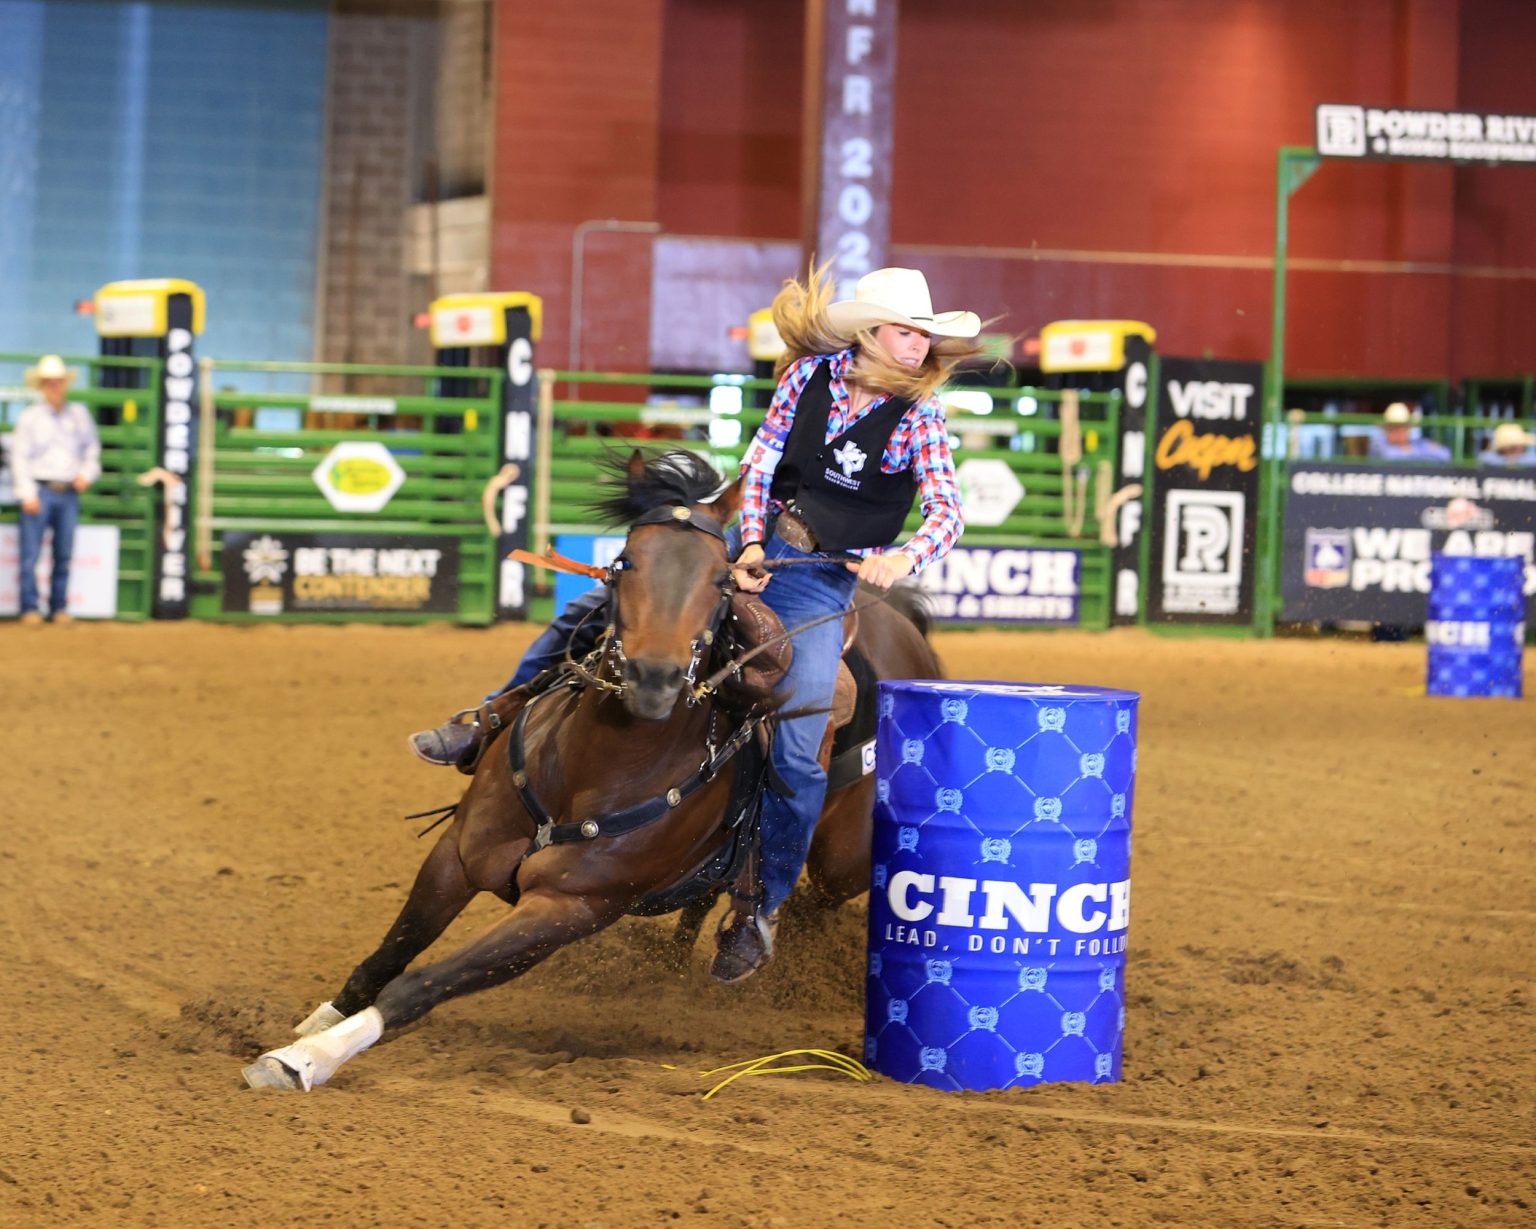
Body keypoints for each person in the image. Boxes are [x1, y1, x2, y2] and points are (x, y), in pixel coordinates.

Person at [411, 265, 980, 982]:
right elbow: (765, 457)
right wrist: (743, 542)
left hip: (818, 581)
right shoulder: (809, 377)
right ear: (870, 333)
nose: (917, 347)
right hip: (748, 538)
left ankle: (759, 908)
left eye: (924, 336)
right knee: (608, 608)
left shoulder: (921, 417)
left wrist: (902, 559)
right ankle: (490, 715)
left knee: (801, 743)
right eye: (906, 332)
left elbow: (947, 511)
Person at [11, 355, 99, 625]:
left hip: (68, 491)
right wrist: (27, 494)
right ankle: (30, 608)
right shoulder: (30, 418)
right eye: (50, 382)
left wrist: (86, 474)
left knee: (63, 553)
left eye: (58, 381)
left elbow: (92, 449)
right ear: (41, 385)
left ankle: (58, 607)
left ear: (64, 383)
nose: (55, 386)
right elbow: (19, 457)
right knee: (31, 555)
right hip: (39, 489)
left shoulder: (79, 415)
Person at [1366, 402, 1450, 461]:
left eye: (1402, 427)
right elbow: (1390, 456)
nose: (1398, 431)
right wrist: (1418, 455)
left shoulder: (1420, 443)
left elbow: (1444, 454)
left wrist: (1409, 453)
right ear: (1387, 429)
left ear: (1408, 428)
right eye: (1394, 427)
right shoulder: (1378, 444)